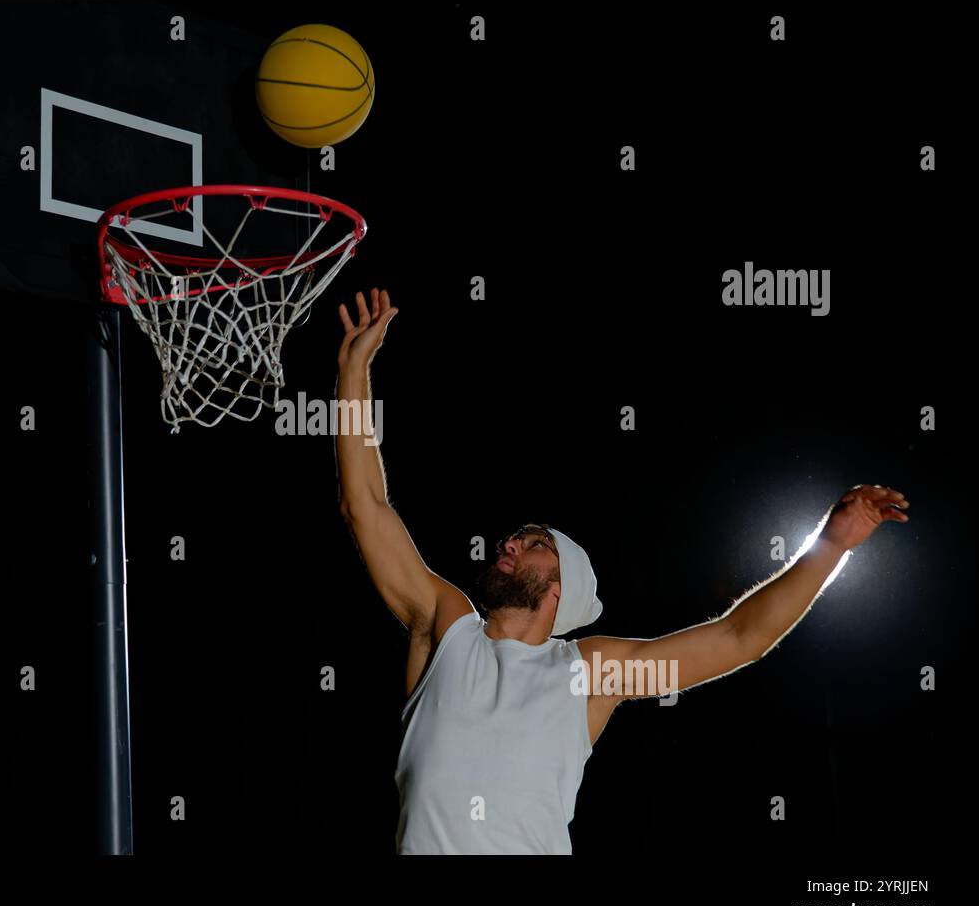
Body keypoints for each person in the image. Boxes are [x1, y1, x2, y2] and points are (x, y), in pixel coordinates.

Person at [333, 288, 910, 855]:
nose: (509, 542)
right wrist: (356, 368)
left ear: (559, 590)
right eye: (515, 536)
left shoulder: (589, 672)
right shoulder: (446, 624)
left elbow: (741, 638)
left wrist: (833, 544)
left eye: (534, 544)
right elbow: (367, 504)